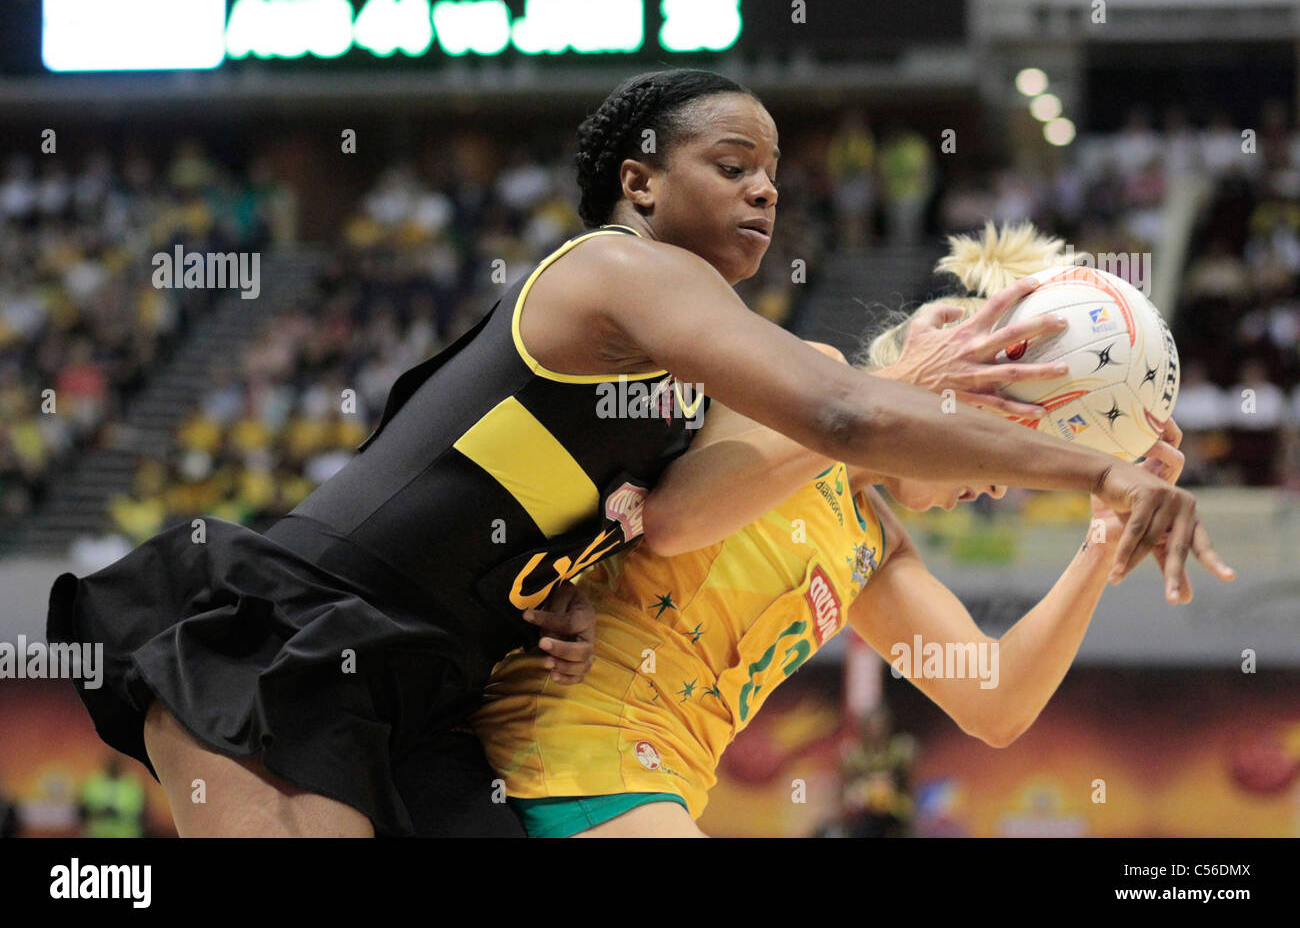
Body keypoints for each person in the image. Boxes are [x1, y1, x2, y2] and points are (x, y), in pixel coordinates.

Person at [50, 70, 1221, 838]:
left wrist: (1104, 532)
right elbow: (802, 443)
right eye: (731, 165)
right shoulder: (703, 335)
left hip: (435, 692)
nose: (764, 188)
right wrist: (1080, 460)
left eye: (773, 175)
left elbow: (996, 703)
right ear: (638, 182)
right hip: (314, 643)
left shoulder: (778, 460)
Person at [470, 222, 1237, 837]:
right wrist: (904, 388)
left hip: (651, 780)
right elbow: (677, 519)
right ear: (957, 386)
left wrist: (1100, 539)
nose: (999, 479)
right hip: (575, 746)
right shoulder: (803, 369)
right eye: (1003, 442)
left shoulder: (871, 540)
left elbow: (995, 704)